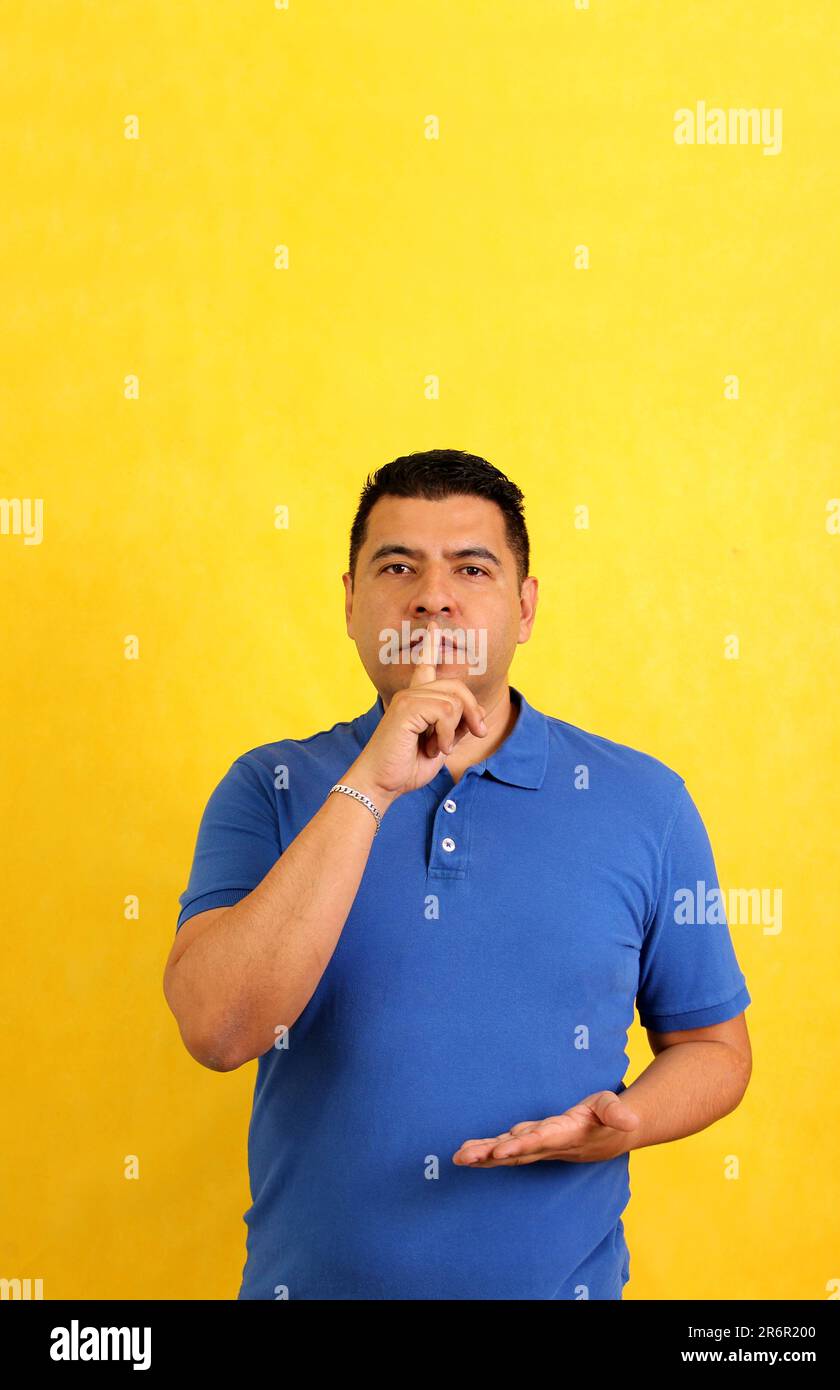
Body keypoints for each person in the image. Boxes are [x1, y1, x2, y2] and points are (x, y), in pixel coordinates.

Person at [164, 448, 752, 1300]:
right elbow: (217, 1031)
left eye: (470, 568)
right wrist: (369, 784)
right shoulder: (272, 787)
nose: (432, 595)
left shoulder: (646, 803)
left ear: (523, 608)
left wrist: (629, 1123)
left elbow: (714, 1049)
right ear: (352, 604)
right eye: (397, 565)